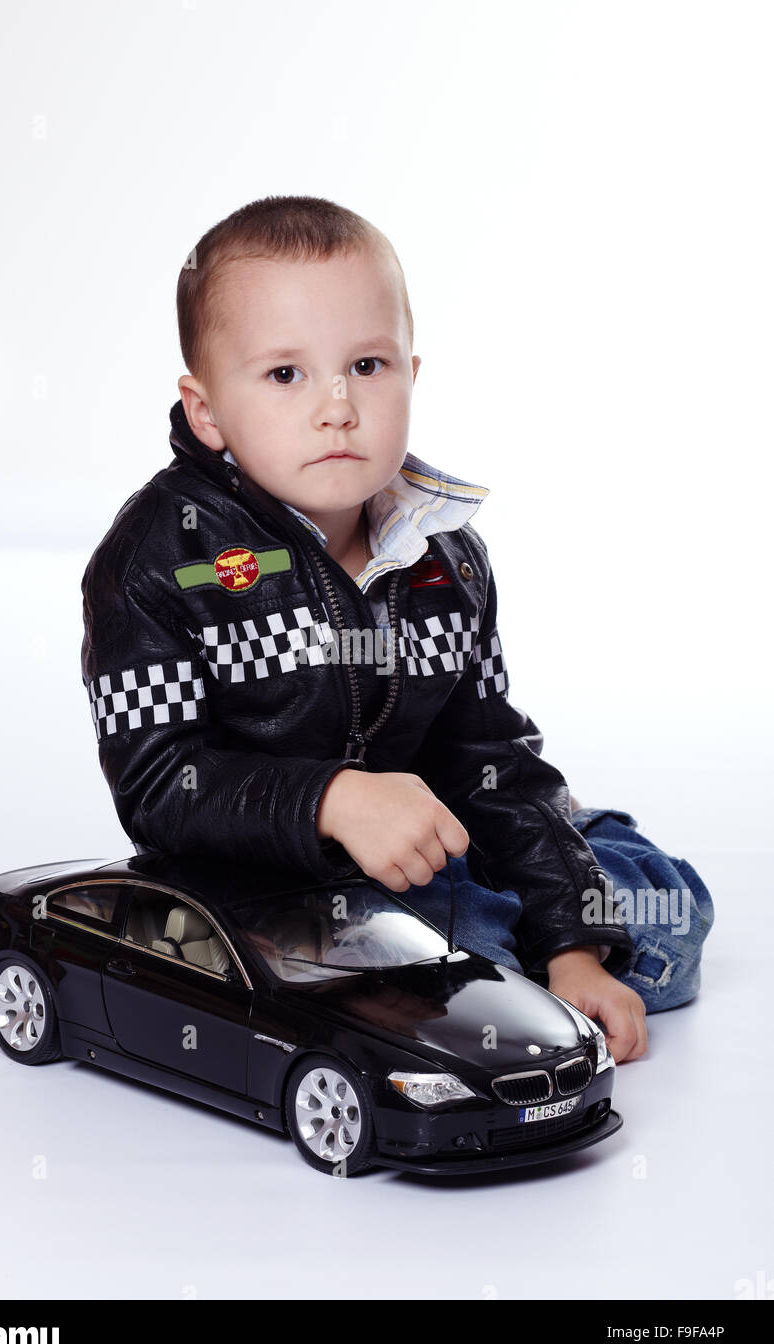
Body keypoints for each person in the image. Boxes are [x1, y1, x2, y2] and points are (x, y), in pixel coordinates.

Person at [80, 194, 714, 1065]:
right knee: (441, 965)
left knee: (659, 917)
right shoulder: (157, 559)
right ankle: (521, 935)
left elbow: (489, 756)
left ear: (413, 372)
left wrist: (574, 943)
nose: (337, 406)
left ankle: (574, 894)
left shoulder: (446, 558)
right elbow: (157, 783)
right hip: (278, 890)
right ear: (207, 410)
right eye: (285, 375)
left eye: (368, 365)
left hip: (429, 847)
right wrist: (332, 797)